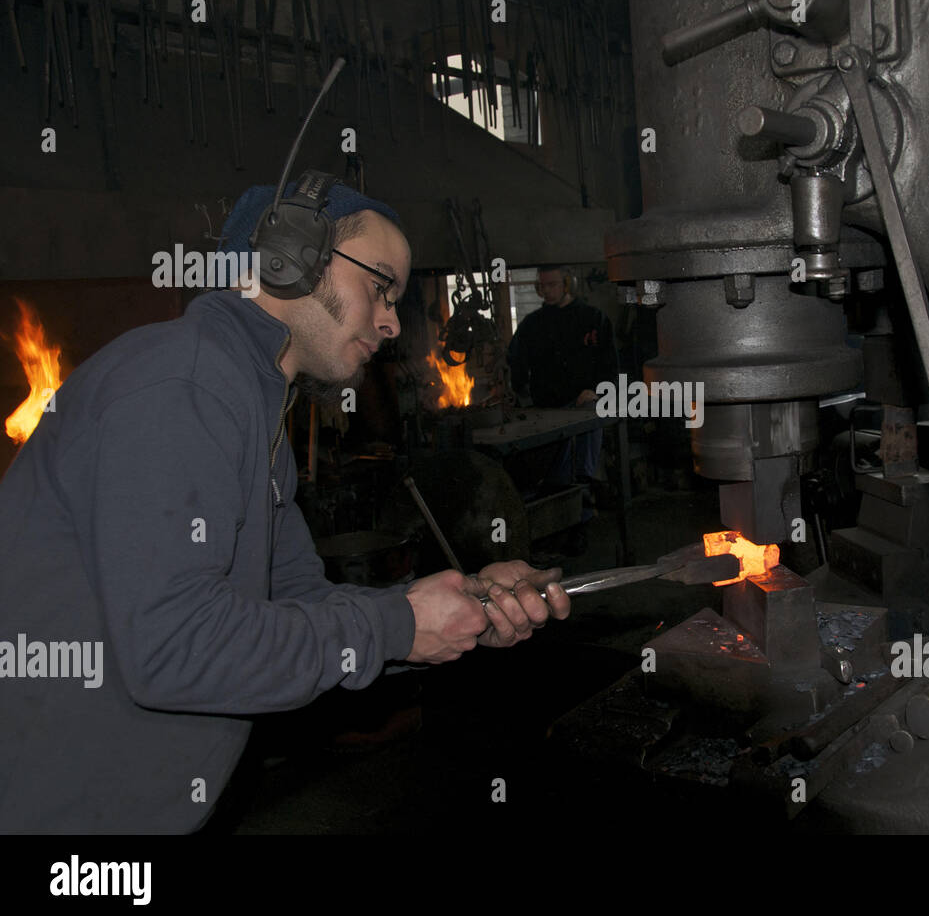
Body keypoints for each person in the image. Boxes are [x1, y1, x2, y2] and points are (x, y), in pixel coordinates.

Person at [0, 180, 570, 833]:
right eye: (380, 286)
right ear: (290, 255)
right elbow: (173, 648)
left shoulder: (252, 410)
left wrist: (455, 605)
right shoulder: (180, 383)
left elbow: (292, 600)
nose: (389, 321)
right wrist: (396, 624)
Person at [507, 266, 618, 486]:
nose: (546, 291)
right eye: (541, 286)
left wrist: (596, 391)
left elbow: (610, 365)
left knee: (584, 432)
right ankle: (568, 494)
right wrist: (521, 395)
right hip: (545, 407)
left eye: (552, 285)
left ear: (567, 284)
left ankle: (581, 488)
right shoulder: (532, 325)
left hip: (583, 402)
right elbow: (516, 363)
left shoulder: (593, 319)